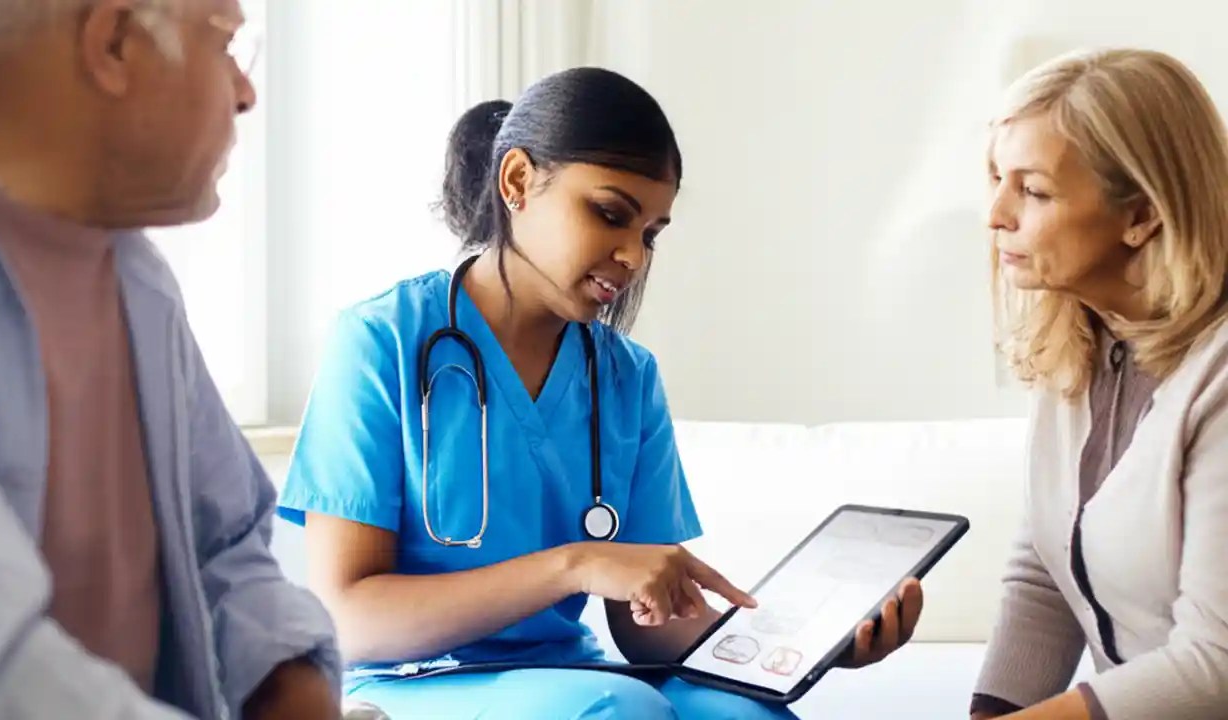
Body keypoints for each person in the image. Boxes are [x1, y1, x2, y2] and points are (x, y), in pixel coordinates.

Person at [278, 66, 922, 719]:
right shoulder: (380, 340)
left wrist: (803, 646)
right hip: (407, 682)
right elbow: (347, 619)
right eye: (610, 214)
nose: (634, 256)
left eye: (650, 233)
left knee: (749, 715)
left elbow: (643, 621)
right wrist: (577, 565)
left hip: (570, 675)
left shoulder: (625, 376)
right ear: (518, 181)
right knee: (619, 711)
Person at [0, 1, 341, 718]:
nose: (246, 92)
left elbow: (227, 546)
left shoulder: (140, 281)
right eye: (226, 42)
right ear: (116, 42)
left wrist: (296, 688)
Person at [973, 48, 1228, 720]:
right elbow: (1042, 582)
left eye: (1032, 189)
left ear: (1140, 214)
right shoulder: (1080, 339)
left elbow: (1217, 667)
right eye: (997, 178)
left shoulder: (1219, 378)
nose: (995, 214)